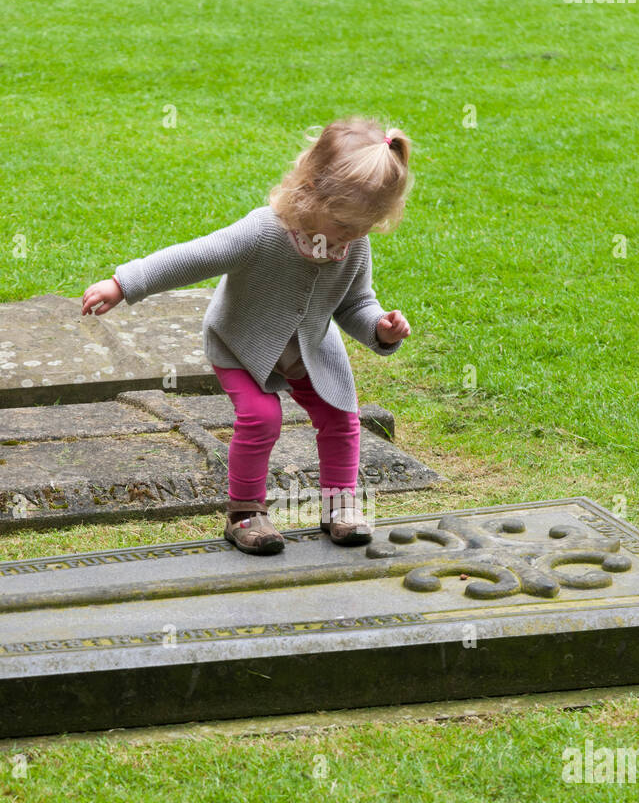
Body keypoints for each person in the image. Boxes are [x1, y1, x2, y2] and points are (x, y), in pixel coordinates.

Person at [81, 116, 412, 554]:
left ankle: (340, 504)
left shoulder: (354, 245)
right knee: (261, 417)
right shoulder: (263, 231)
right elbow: (195, 256)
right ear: (311, 190)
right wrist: (124, 284)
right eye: (345, 225)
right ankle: (245, 513)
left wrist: (380, 330)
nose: (351, 238)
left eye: (364, 227)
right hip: (241, 344)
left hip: (311, 345)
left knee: (340, 415)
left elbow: (354, 303)